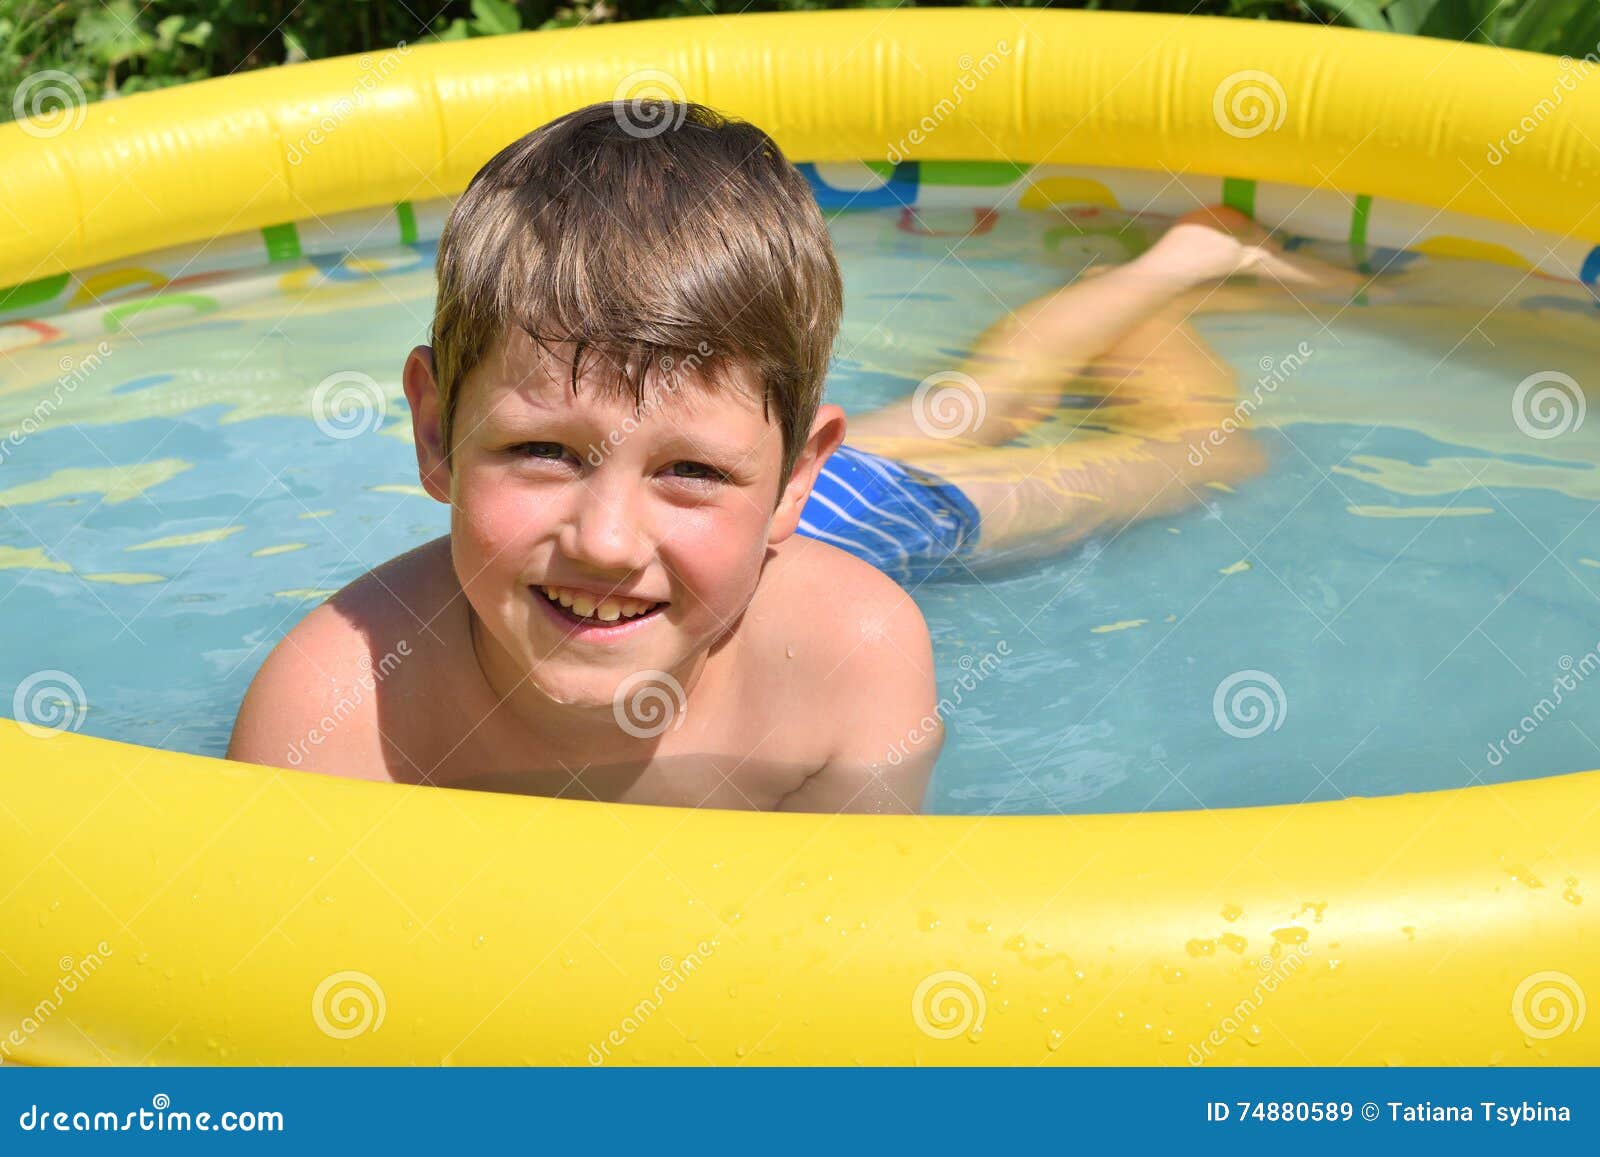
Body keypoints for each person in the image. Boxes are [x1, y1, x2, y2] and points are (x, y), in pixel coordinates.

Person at [225, 100, 1353, 813]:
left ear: (792, 474)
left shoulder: (851, 654)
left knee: (1203, 454)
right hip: (729, 537)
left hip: (859, 521)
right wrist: (699, 478)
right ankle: (1171, 261)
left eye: (691, 468)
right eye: (540, 451)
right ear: (434, 432)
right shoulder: (333, 708)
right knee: (970, 407)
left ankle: (1167, 280)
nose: (606, 540)